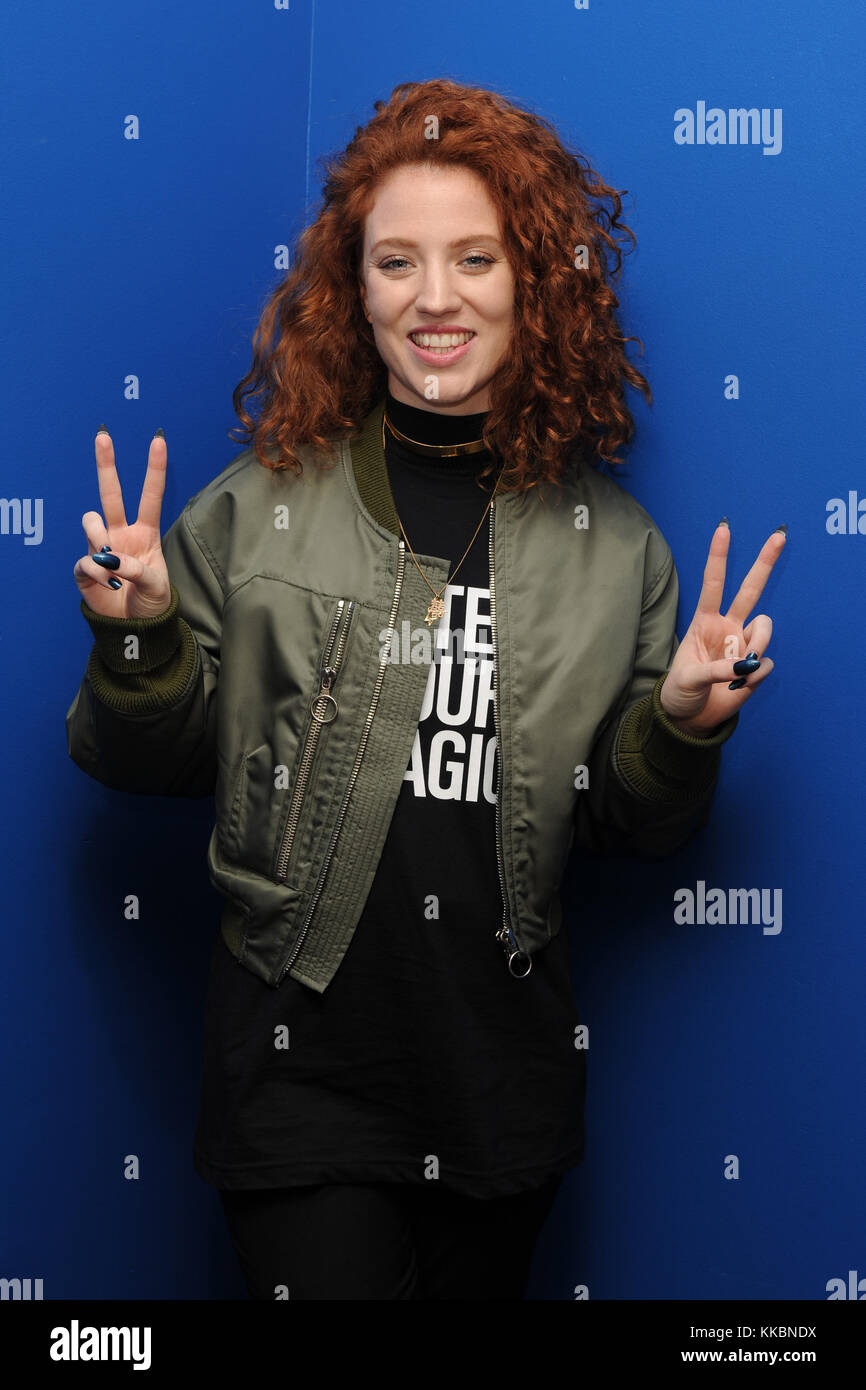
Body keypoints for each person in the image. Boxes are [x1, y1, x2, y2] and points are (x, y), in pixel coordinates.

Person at [66, 78, 785, 1301]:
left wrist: (675, 732)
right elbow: (150, 762)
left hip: (501, 1086)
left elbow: (628, 827)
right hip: (298, 1075)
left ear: (533, 284)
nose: (434, 298)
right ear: (354, 291)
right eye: (395, 261)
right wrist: (138, 642)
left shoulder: (615, 552)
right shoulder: (256, 508)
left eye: (474, 259)